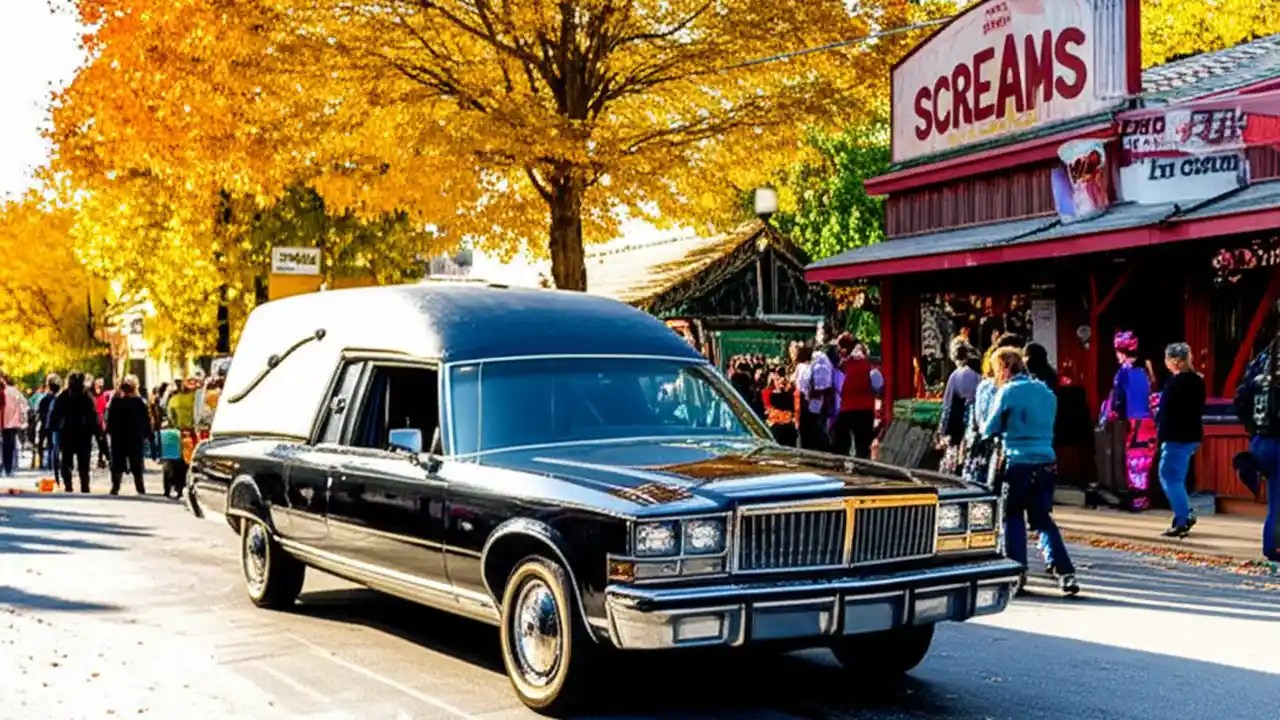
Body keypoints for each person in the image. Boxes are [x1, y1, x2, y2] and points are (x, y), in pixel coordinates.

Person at [983, 348, 1080, 597]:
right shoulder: (1046, 392)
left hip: (1017, 459)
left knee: (1012, 515)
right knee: (1042, 518)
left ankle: (1018, 571)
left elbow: (988, 428)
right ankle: (1064, 571)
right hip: (1046, 459)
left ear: (1004, 368)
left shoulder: (1007, 392)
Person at [1233, 331, 1280, 562]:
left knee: (1276, 499)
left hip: (1262, 439)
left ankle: (1273, 546)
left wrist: (1252, 429)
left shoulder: (1263, 360)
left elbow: (1241, 397)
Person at [1156, 343, 1205, 538]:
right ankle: (1184, 513)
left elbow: (1168, 411)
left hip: (1176, 435)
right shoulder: (1197, 381)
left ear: (1175, 360)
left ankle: (1183, 517)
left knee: (1169, 476)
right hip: (1190, 434)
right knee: (1176, 476)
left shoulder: (1177, 383)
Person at [833, 335, 881, 458]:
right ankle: (862, 467)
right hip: (865, 408)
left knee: (841, 440)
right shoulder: (867, 363)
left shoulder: (845, 364)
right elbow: (877, 385)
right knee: (863, 444)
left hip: (848, 408)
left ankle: (840, 463)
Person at [50, 372, 99, 493]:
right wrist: (96, 431)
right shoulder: (87, 397)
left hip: (67, 432)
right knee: (84, 462)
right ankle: (84, 484)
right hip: (84, 433)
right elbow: (93, 416)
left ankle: (68, 484)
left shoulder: (64, 396)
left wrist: (53, 428)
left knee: (66, 460)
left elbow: (55, 415)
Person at [938, 337, 980, 473]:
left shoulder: (955, 376)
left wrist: (942, 431)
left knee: (954, 464)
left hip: (959, 424)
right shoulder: (978, 374)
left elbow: (948, 407)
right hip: (975, 423)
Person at [106, 375, 151, 495]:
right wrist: (147, 434)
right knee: (136, 463)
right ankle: (140, 487)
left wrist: (110, 432)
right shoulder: (139, 403)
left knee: (117, 462)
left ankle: (115, 486)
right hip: (134, 437)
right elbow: (146, 420)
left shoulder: (115, 403)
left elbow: (109, 420)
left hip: (118, 437)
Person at [793, 344, 832, 451]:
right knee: (816, 430)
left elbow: (800, 385)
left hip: (806, 404)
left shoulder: (802, 367)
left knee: (807, 434)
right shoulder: (822, 364)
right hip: (817, 404)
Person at [0, 376, 25, 476]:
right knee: (9, 447)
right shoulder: (13, 391)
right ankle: (8, 469)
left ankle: (6, 468)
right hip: (10, 424)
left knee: (7, 446)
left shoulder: (8, 392)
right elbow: (22, 404)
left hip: (6, 423)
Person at [39, 374, 61, 471]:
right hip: (55, 425)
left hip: (48, 425)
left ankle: (50, 463)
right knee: (55, 444)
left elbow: (41, 412)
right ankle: (53, 463)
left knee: (51, 444)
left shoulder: (44, 399)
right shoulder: (59, 398)